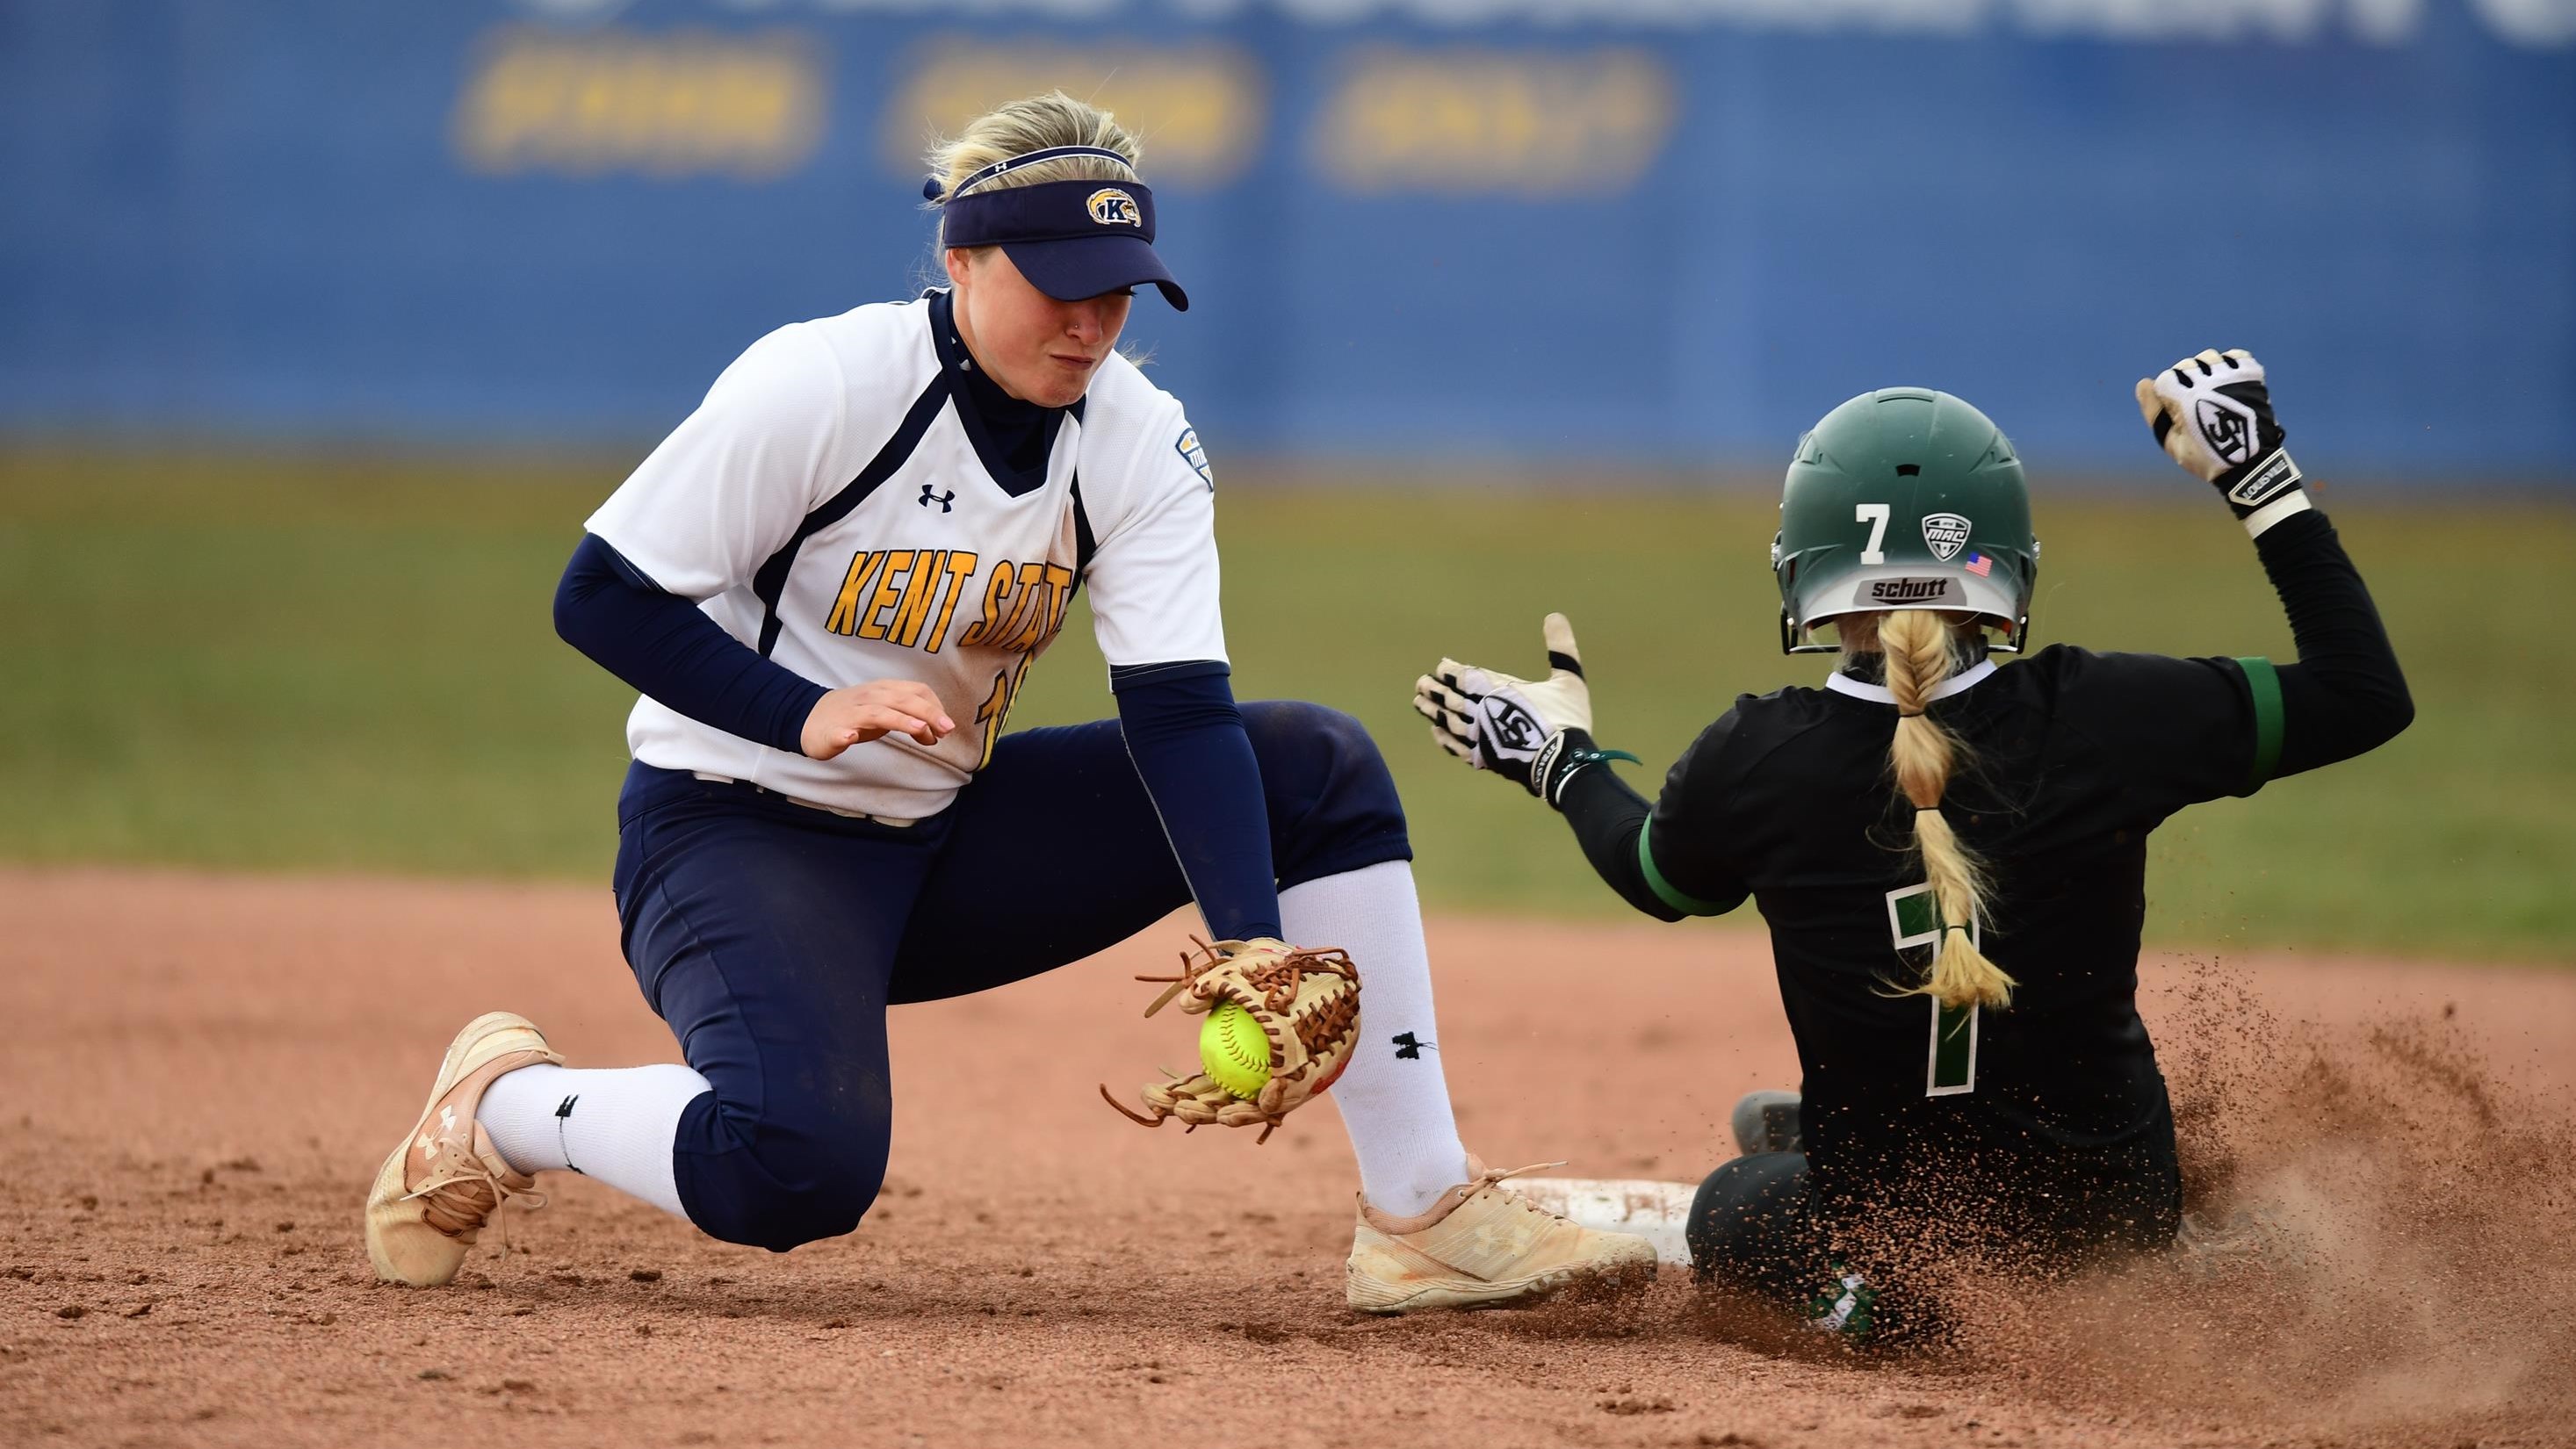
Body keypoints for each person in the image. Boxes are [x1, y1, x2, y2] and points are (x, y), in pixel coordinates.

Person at [362, 92, 1655, 1314]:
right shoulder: (822, 383)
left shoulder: (1136, 438)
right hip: (735, 833)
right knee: (795, 1169)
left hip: (942, 839)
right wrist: (798, 712)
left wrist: (1253, 936)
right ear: (962, 256)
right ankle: (507, 1103)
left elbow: (1181, 713)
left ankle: (1422, 1215)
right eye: (1059, 283)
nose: (1091, 322)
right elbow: (599, 595)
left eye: (1118, 293)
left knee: (1310, 761)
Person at [1412, 351, 2410, 1337]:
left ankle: (1888, 1305)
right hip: (2118, 1224)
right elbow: (2363, 695)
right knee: (1993, 1142)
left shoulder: (1754, 755)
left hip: (1898, 1234)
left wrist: (1552, 758)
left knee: (1730, 1207)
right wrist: (2256, 473)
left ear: (1801, 571)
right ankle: (2108, 1266)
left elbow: (1654, 878)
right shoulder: (2105, 713)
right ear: (2008, 567)